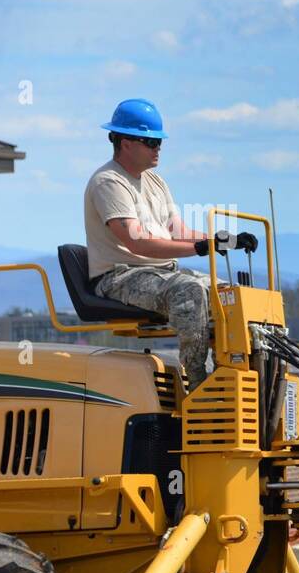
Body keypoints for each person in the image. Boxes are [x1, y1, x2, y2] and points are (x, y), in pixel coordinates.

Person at [83, 98, 213, 387]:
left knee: (228, 293)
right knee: (189, 291)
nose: (158, 148)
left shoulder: (155, 182)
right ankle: (199, 385)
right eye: (150, 141)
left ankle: (243, 377)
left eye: (159, 142)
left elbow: (177, 229)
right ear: (125, 142)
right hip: (120, 276)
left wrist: (219, 240)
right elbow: (136, 243)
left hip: (160, 272)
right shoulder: (109, 182)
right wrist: (198, 249)